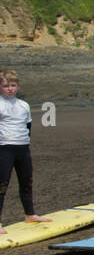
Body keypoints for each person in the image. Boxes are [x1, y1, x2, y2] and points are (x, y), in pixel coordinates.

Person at [0, 70, 51, 233]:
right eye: (6, 86)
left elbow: (28, 126)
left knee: (26, 182)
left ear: (18, 86)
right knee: (2, 185)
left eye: (13, 85)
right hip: (4, 148)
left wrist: (25, 142)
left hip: (22, 148)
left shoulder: (23, 105)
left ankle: (30, 214)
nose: (10, 89)